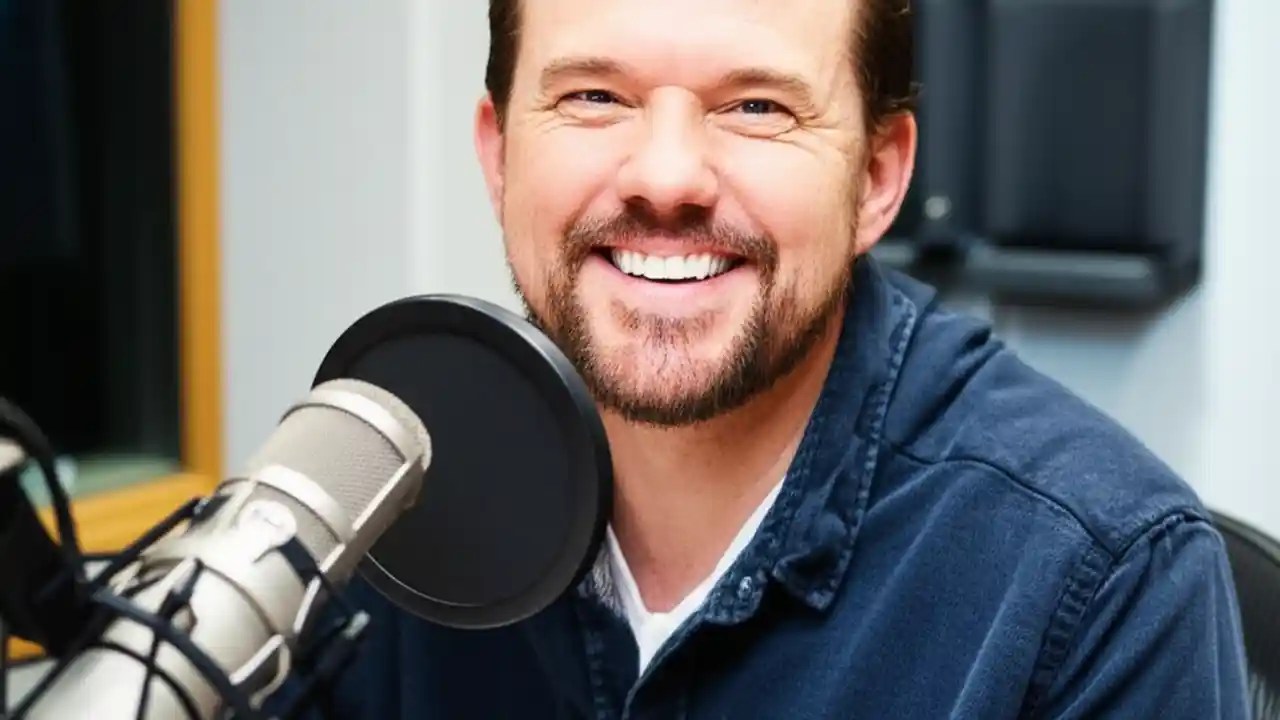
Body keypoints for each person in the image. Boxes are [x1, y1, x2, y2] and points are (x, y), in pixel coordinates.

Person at [291, 0, 1252, 717]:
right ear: (500, 157)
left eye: (756, 107)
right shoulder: (391, 493)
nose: (666, 177)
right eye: (594, 96)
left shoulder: (1105, 583)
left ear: (877, 180)